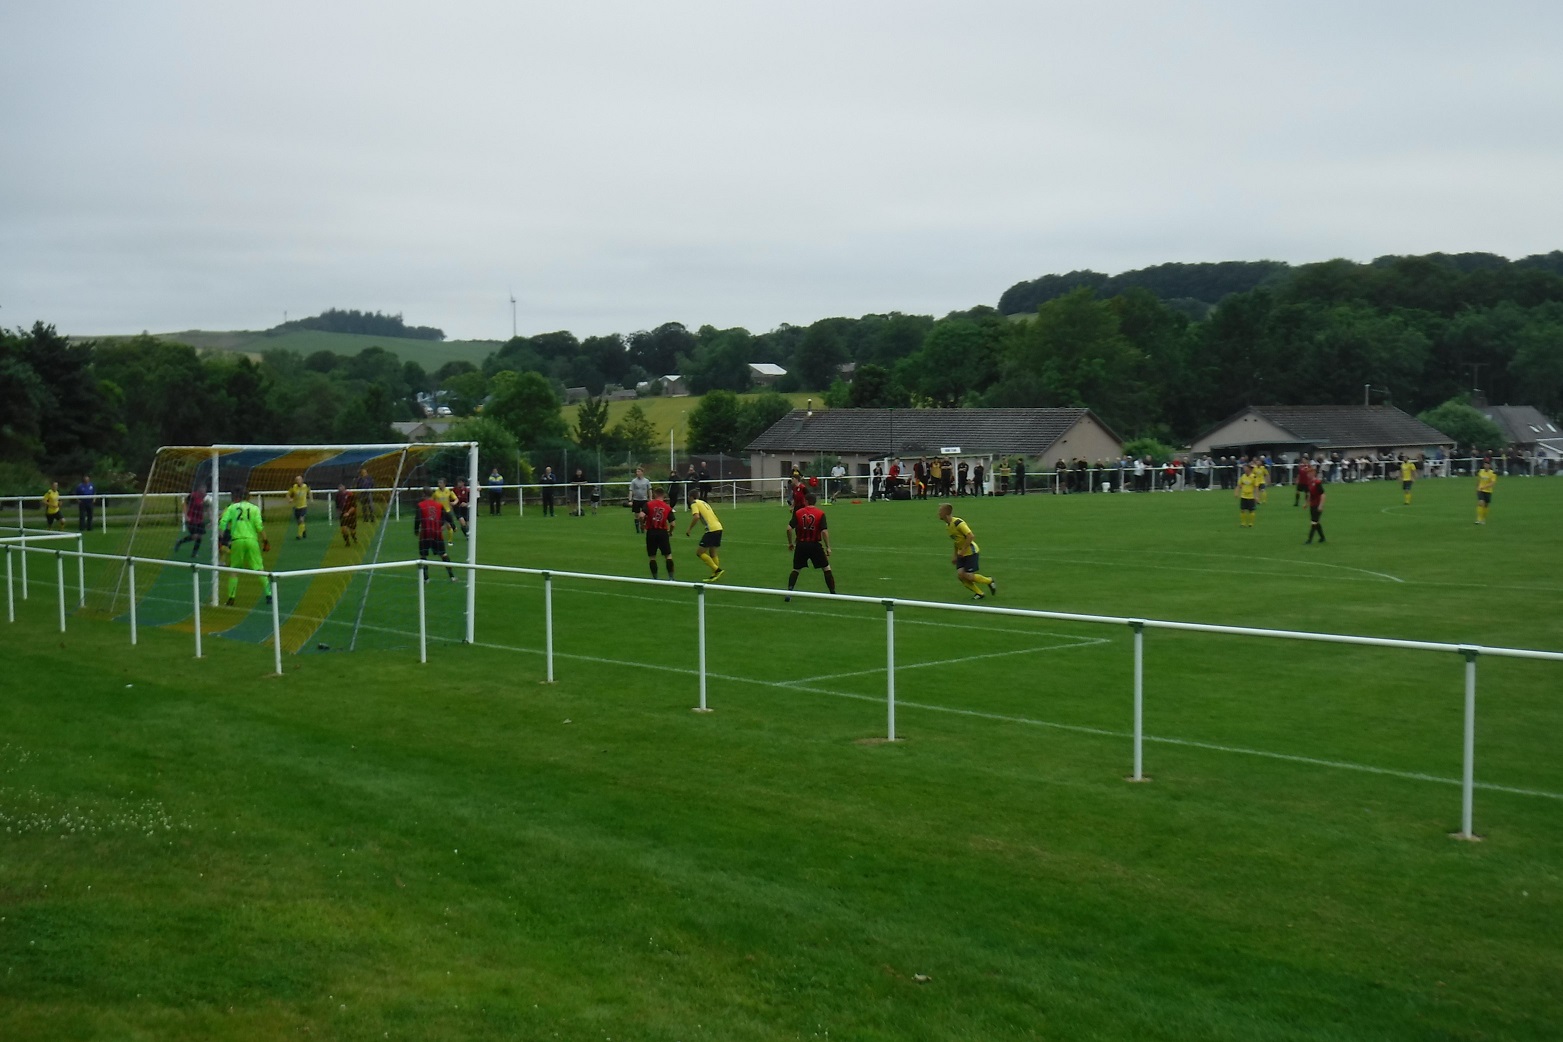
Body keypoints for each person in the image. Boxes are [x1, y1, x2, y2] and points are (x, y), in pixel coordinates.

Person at [218, 486, 271, 606]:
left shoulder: (232, 507)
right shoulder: (254, 508)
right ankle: (269, 594)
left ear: (237, 497)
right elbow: (259, 526)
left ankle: (231, 598)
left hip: (237, 541)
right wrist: (265, 540)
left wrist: (220, 539)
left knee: (234, 570)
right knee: (259, 568)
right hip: (252, 541)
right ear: (249, 497)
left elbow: (222, 522)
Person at [937, 503, 996, 600]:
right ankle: (980, 593)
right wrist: (955, 555)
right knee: (961, 576)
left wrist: (963, 551)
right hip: (961, 554)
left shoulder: (958, 523)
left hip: (971, 552)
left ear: (946, 513)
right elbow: (957, 541)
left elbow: (970, 536)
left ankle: (989, 581)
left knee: (968, 576)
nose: (938, 513)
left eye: (940, 511)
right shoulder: (948, 526)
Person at [785, 491, 836, 601]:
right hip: (814, 545)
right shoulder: (820, 513)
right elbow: (824, 531)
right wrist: (828, 547)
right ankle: (833, 593)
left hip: (801, 545)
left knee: (796, 569)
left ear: (806, 501)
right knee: (826, 568)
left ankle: (789, 592)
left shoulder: (799, 512)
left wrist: (790, 543)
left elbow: (789, 528)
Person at [414, 487, 456, 582]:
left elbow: (417, 519)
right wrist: (453, 525)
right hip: (437, 534)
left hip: (425, 534)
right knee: (443, 554)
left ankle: (426, 578)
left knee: (423, 556)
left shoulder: (420, 505)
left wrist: (416, 530)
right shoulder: (438, 505)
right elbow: (447, 516)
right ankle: (452, 576)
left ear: (423, 495)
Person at [684, 495, 725, 581]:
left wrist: (689, 529)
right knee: (713, 553)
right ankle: (714, 575)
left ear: (691, 497)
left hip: (711, 529)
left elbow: (696, 516)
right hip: (718, 527)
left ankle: (717, 569)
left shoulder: (694, 503)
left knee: (699, 552)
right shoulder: (704, 502)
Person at [640, 486, 676, 580]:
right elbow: (673, 523)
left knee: (652, 556)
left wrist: (642, 524)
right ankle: (671, 578)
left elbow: (641, 515)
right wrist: (670, 532)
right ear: (663, 495)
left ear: (655, 494)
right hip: (663, 532)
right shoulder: (667, 507)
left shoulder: (649, 504)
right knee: (668, 555)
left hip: (651, 532)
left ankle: (655, 578)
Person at [172, 484, 208, 557]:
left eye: (205, 489)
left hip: (200, 520)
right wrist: (185, 515)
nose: (204, 490)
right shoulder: (193, 496)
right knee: (195, 536)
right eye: (203, 489)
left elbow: (207, 507)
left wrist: (211, 518)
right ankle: (180, 542)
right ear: (199, 489)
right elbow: (185, 504)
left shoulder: (206, 498)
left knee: (200, 537)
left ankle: (194, 553)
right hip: (191, 519)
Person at [1304, 474, 1327, 544]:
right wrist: (1306, 503)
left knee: (1314, 523)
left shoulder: (1317, 483)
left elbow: (1323, 495)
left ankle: (1309, 540)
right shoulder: (1309, 483)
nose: (1308, 475)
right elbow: (1309, 494)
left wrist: (1321, 505)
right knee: (1316, 522)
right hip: (1312, 505)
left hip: (1317, 505)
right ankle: (1322, 538)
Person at [628, 466, 651, 532]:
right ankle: (638, 529)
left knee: (644, 515)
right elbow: (631, 490)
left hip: (644, 500)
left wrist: (650, 498)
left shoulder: (646, 481)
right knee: (637, 515)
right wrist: (630, 500)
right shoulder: (634, 481)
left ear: (642, 472)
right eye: (636, 472)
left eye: (638, 471)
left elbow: (649, 490)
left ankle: (643, 525)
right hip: (636, 500)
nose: (637, 473)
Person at [1236, 462, 1259, 527]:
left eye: (1246, 468)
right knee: (1242, 510)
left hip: (1251, 496)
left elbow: (1256, 487)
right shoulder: (1243, 476)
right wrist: (1237, 492)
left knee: (1251, 511)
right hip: (1243, 496)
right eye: (1244, 468)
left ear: (1249, 469)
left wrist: (1256, 496)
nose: (1245, 469)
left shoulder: (1254, 477)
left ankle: (1250, 523)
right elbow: (1239, 485)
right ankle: (1243, 523)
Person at [336, 482, 358, 547]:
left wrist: (348, 513)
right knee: (343, 529)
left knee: (352, 531)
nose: (340, 488)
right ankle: (347, 542)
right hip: (343, 514)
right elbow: (338, 506)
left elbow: (354, 506)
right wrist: (339, 512)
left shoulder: (350, 495)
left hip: (351, 515)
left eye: (341, 486)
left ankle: (354, 537)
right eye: (339, 487)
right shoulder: (338, 495)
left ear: (344, 487)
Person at [288, 474, 310, 540]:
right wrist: (290, 499)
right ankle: (303, 531)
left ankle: (299, 535)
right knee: (299, 522)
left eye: (299, 479)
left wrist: (311, 499)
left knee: (301, 519)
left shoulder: (305, 486)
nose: (298, 481)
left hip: (303, 506)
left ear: (302, 480)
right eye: (297, 480)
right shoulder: (294, 487)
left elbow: (309, 491)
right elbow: (288, 494)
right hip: (296, 507)